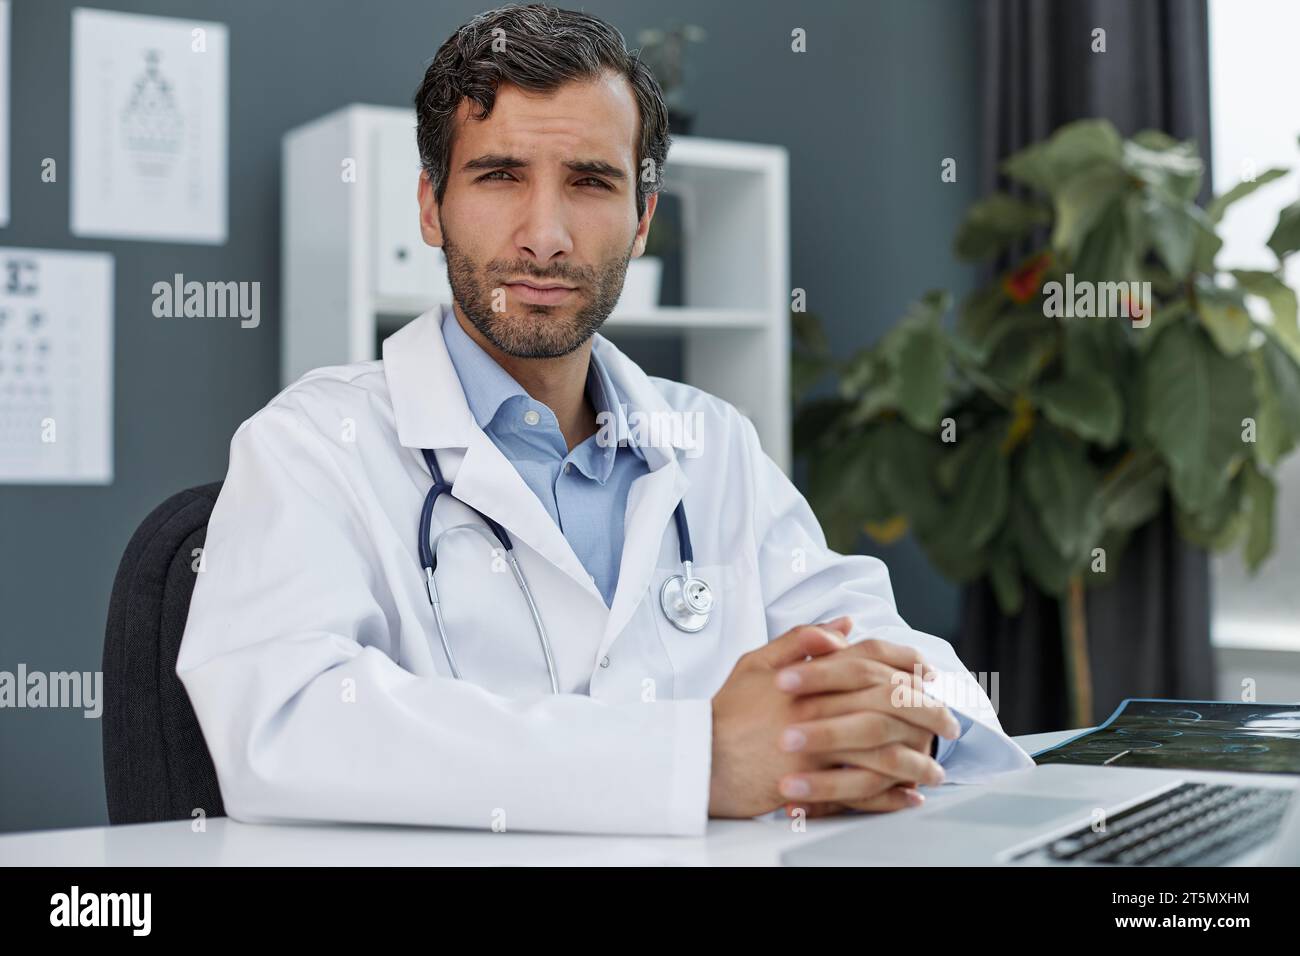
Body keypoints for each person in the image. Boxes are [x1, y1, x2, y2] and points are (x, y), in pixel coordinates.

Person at [177, 2, 1032, 837]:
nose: (545, 235)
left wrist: (895, 721)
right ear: (432, 207)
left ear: (643, 219)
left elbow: (902, 659)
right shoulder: (309, 445)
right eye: (500, 175)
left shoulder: (712, 443)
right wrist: (695, 759)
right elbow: (285, 725)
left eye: (591, 183)